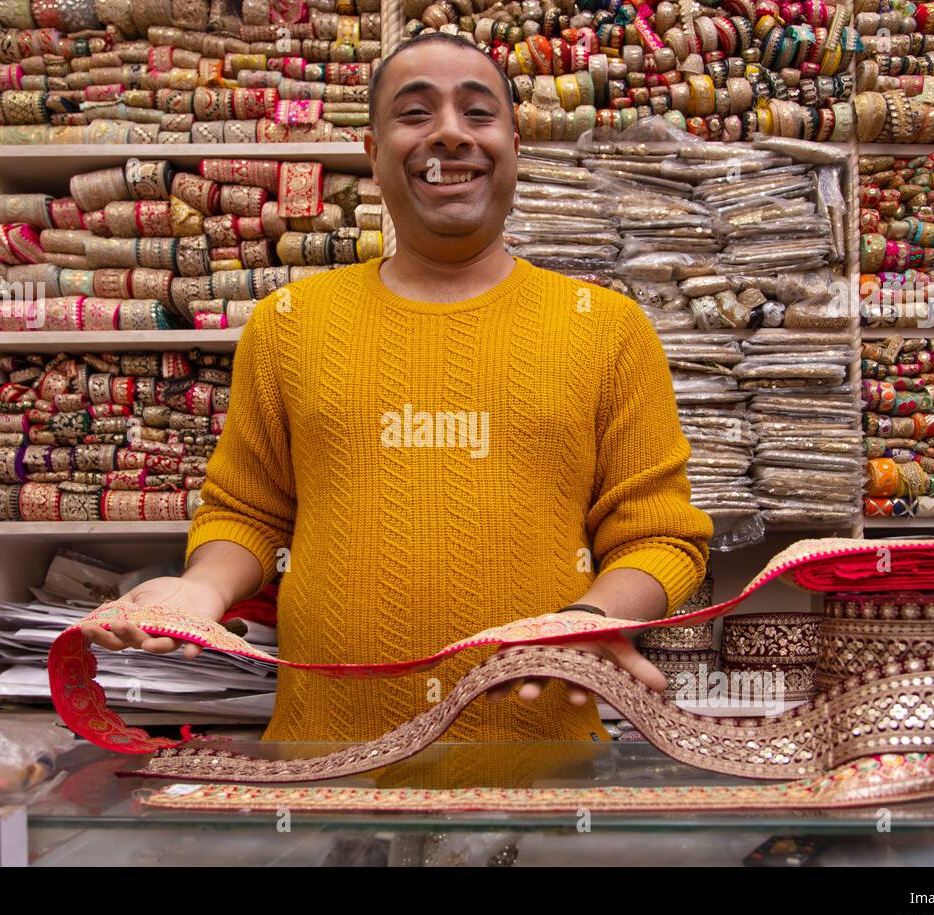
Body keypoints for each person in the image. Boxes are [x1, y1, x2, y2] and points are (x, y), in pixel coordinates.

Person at [81, 32, 713, 742]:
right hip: (324, 760)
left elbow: (659, 535)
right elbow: (248, 513)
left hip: (538, 764)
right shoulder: (290, 323)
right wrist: (200, 589)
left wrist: (591, 620)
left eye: (478, 114)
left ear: (514, 142)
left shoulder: (605, 328)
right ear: (373, 153)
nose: (449, 133)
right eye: (415, 114)